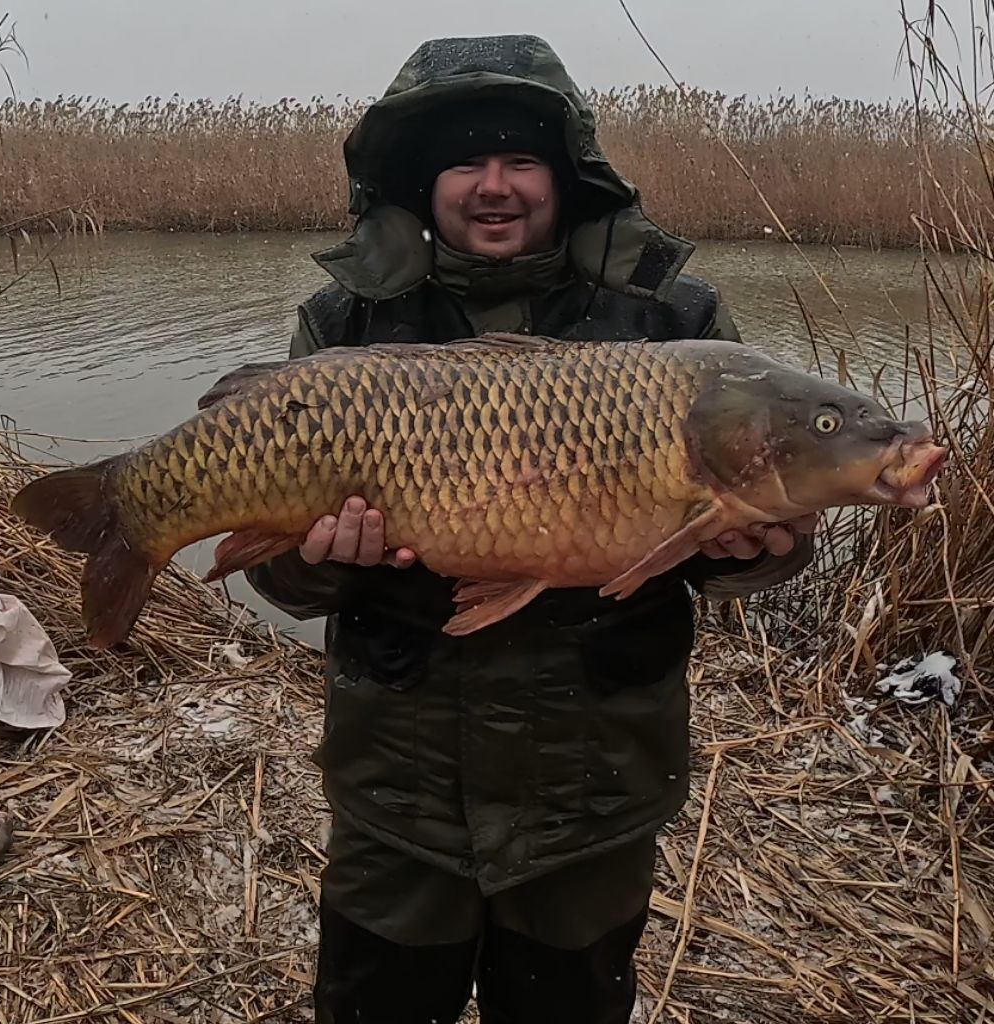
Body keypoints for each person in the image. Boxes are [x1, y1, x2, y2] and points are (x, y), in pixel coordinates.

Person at [247, 33, 817, 1024]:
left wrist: (751, 550)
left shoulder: (671, 321)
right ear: (421, 186)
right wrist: (313, 564)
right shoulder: (341, 328)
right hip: (401, 775)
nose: (493, 185)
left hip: (593, 775)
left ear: (569, 177)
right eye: (465, 162)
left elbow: (761, 523)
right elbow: (282, 576)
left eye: (521, 160)